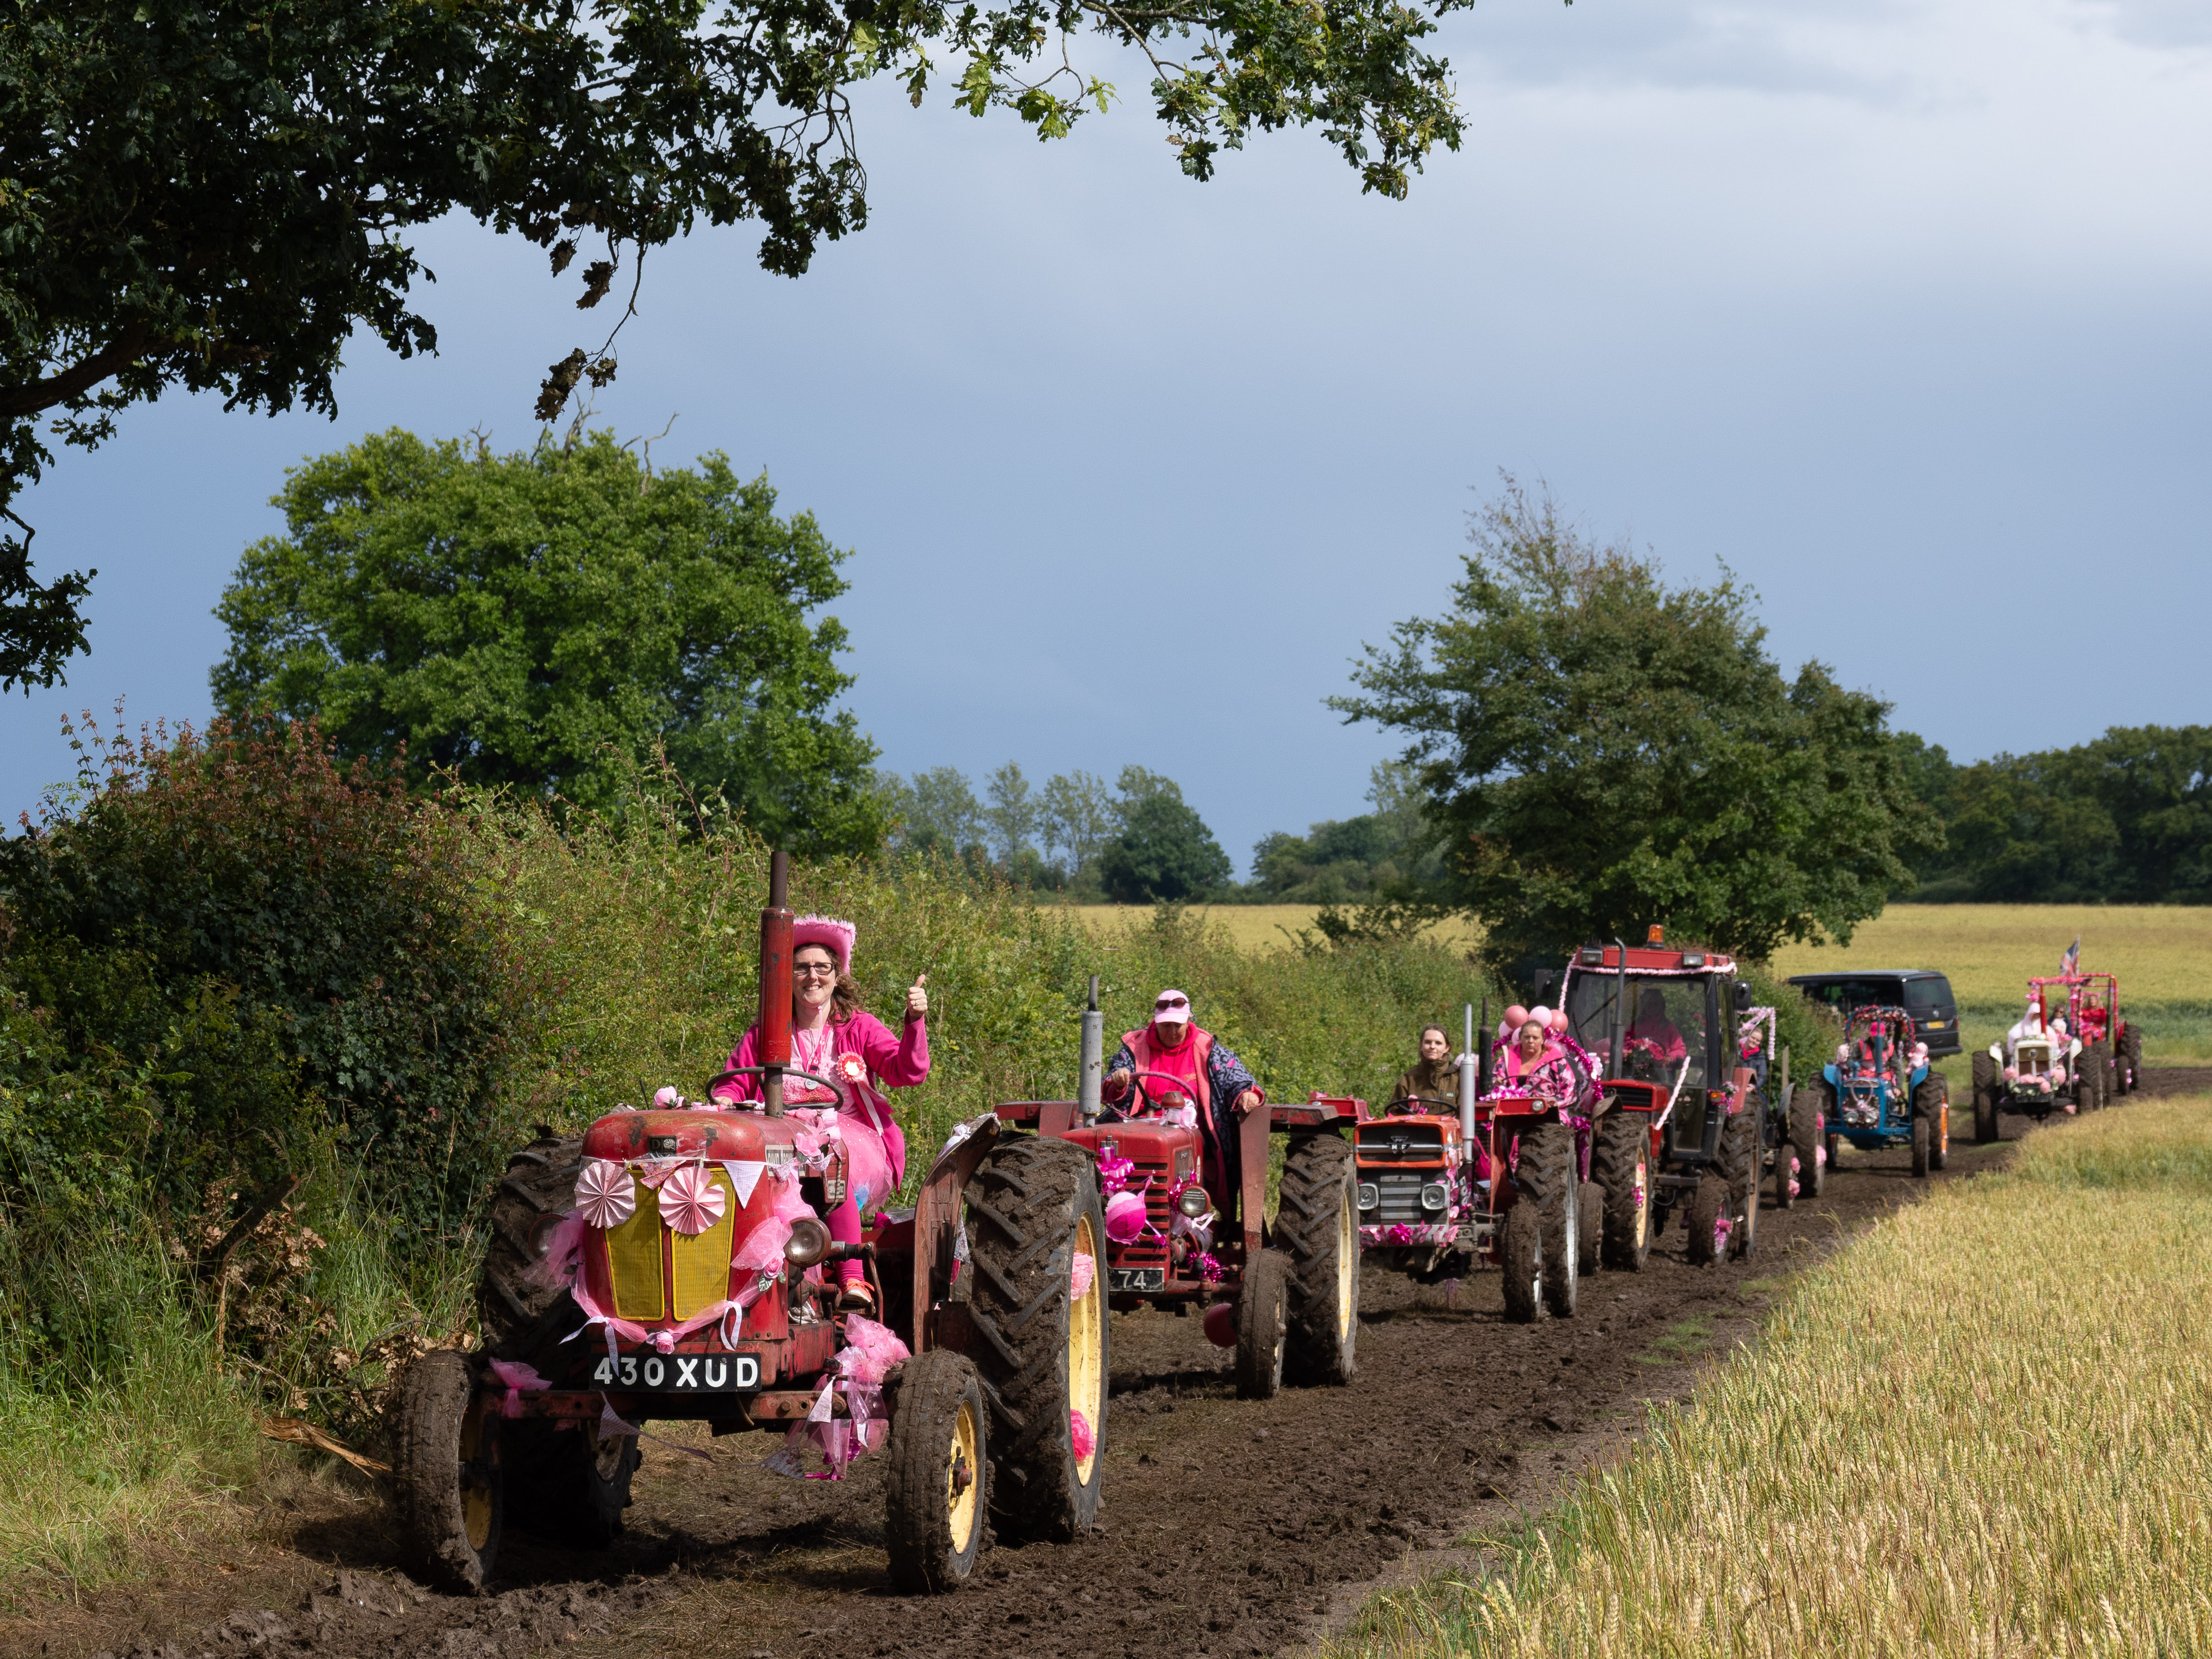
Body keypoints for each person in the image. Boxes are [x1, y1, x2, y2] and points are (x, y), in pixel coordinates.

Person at [713, 916, 929, 1314]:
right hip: (785, 1137)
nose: (812, 976)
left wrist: (915, 1023)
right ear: (788, 978)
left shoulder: (859, 1027)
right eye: (801, 967)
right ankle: (753, 1284)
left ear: (836, 975)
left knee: (831, 1156)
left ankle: (852, 1278)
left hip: (849, 1137)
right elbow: (734, 1083)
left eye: (821, 967)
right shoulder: (767, 1032)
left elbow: (908, 1072)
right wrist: (726, 1101)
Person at [1102, 989, 1262, 1204]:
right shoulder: (1134, 1048)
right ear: (1155, 1023)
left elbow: (1234, 1076)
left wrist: (1246, 1093)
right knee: (1105, 1147)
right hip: (1140, 1124)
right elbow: (1117, 1077)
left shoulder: (1207, 1048)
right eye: (1166, 1026)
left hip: (1191, 1128)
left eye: (1177, 1026)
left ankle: (1193, 1208)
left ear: (1188, 1021)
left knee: (1199, 1152)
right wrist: (1119, 1081)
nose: (1172, 1032)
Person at [1496, 1006, 1594, 1112]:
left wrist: (1546, 1104)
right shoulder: (1505, 1061)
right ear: (1520, 1037)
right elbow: (1495, 1085)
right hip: (1511, 1112)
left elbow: (1569, 1093)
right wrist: (1497, 1084)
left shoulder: (1557, 1062)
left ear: (1543, 1040)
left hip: (1548, 1113)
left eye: (1535, 1038)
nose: (1530, 1041)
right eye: (1526, 1037)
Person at [1391, 1024, 1459, 1112]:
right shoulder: (1409, 1078)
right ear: (1420, 1045)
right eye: (1428, 1042)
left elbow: (1468, 1115)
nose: (1432, 1047)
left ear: (1447, 1048)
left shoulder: (1458, 1078)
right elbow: (1394, 1112)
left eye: (1438, 1043)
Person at [1626, 988, 1688, 1067]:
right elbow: (1625, 1044)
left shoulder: (1669, 1027)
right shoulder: (1635, 1026)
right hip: (1636, 1069)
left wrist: (1669, 1058)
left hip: (1663, 1072)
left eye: (1656, 1004)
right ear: (1643, 1006)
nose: (1652, 1007)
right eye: (1649, 1004)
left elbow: (1680, 1050)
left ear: (1662, 1006)